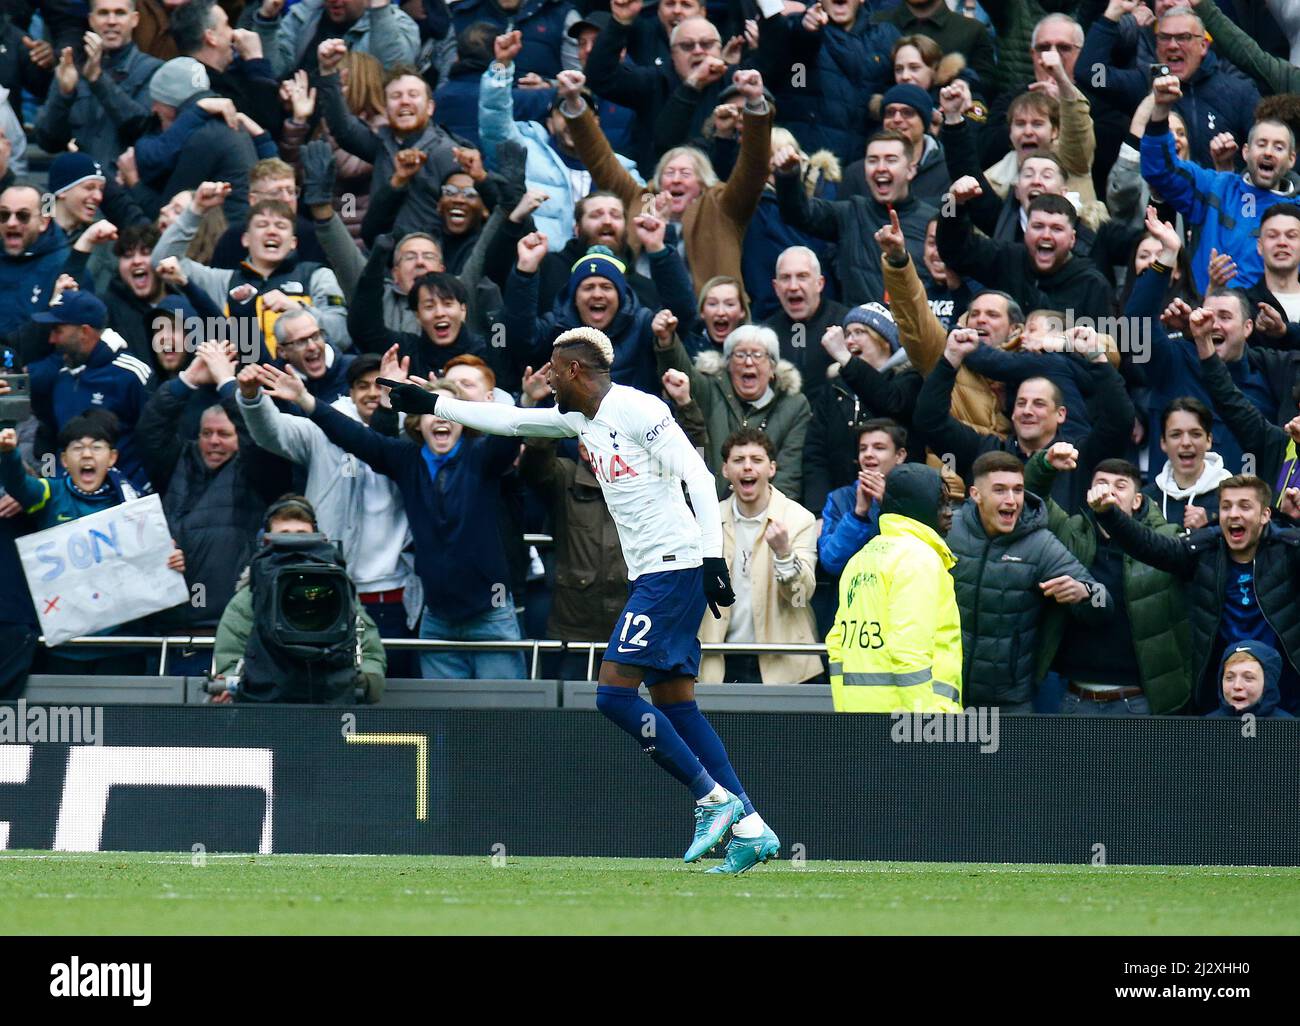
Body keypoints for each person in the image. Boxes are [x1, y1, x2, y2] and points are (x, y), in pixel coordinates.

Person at [381, 324, 780, 874]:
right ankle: (752, 826)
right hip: (657, 574)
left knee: (613, 695)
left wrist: (712, 559)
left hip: (674, 567)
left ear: (573, 371)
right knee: (675, 704)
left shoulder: (638, 408)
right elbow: (512, 420)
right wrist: (434, 401)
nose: (544, 376)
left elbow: (696, 472)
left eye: (551, 367)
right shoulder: (577, 419)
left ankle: (712, 799)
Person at [234, 350, 421, 677]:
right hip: (332, 589)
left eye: (382, 386)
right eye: (363, 386)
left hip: (398, 594)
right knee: (336, 687)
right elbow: (272, 431)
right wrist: (251, 398)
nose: (373, 394)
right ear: (350, 392)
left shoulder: (415, 438)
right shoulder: (323, 430)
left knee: (395, 694)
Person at [1090, 472, 1300, 714]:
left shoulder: (1290, 549)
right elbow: (1149, 546)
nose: (1233, 514)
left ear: (1265, 515)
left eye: (1245, 506)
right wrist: (1108, 514)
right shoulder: (1203, 549)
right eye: (1226, 506)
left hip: (1287, 690)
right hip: (1220, 692)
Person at [0, 411, 184, 677]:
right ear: (64, 460)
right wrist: (9, 455)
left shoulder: (137, 506)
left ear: (112, 457)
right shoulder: (51, 492)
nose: (87, 455)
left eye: (96, 447)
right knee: (71, 720)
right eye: (77, 448)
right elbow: (20, 486)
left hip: (123, 648)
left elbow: (161, 565)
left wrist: (173, 561)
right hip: (63, 648)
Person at [1026, 443, 1192, 715]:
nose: (1109, 490)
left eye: (1120, 485)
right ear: (1089, 493)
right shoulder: (1070, 532)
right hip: (1075, 696)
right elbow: (1033, 498)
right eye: (1101, 483)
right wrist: (1044, 464)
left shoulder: (1166, 539)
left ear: (1137, 500)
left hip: (1137, 699)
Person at [949, 450, 1110, 712]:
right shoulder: (948, 530)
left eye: (1018, 490)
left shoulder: (1040, 544)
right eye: (1000, 490)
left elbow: (1104, 600)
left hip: (1009, 702)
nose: (1011, 500)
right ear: (975, 495)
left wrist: (1085, 593)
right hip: (944, 693)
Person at [914, 328, 1134, 513]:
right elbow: (930, 421)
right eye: (1021, 403)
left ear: (1061, 414)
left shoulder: (1080, 455)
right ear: (1012, 413)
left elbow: (1120, 419)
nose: (1027, 411)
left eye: (1039, 404)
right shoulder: (985, 451)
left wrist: (1097, 357)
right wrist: (950, 360)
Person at [210, 493, 387, 704]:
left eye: (302, 534)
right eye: (284, 534)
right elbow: (229, 659)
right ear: (266, 541)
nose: (294, 543)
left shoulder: (340, 594)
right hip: (265, 711)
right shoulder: (249, 598)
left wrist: (362, 682)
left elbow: (370, 655)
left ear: (318, 538)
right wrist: (233, 681)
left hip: (331, 707)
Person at [1141, 73, 1297, 294]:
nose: (1269, 152)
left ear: (1292, 159)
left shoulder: (1296, 211)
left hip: (1271, 322)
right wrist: (1160, 111)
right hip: (1205, 316)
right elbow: (1160, 172)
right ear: (1245, 152)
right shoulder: (1216, 187)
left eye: (1278, 147)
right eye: (1261, 144)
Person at [152, 186, 350, 358]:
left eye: (280, 226)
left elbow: (342, 334)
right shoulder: (221, 281)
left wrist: (298, 310)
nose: (271, 231)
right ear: (245, 239)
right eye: (262, 225)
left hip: (306, 383)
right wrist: (196, 208)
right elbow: (163, 261)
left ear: (293, 243)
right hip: (244, 386)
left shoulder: (316, 276)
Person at [826, 463, 961, 713]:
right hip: (913, 723)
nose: (949, 512)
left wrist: (844, 709)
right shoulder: (919, 559)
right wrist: (925, 724)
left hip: (858, 717)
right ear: (918, 506)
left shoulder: (860, 559)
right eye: (940, 503)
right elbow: (909, 650)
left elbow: (836, 646)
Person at [698, 427, 820, 686]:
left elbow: (800, 596)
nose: (747, 468)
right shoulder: (707, 522)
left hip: (786, 664)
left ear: (772, 469)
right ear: (725, 470)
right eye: (738, 460)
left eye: (756, 460)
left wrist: (785, 554)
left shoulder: (798, 519)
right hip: (718, 661)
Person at [654, 315, 811, 500]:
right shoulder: (711, 389)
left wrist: (772, 516)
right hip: (709, 509)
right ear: (728, 365)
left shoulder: (794, 405)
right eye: (740, 354)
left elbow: (788, 473)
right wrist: (667, 341)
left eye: (758, 355)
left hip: (764, 513)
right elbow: (680, 375)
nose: (748, 362)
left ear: (772, 368)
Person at [774, 130, 935, 306]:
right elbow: (798, 214)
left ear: (911, 170)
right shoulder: (849, 212)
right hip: (859, 330)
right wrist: (787, 177)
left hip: (915, 330)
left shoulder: (931, 221)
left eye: (891, 160)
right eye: (873, 160)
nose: (881, 167)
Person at [27, 288, 154, 490]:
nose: (52, 339)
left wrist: (138, 489)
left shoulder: (131, 374)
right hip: (70, 502)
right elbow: (51, 442)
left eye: (58, 330)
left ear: (84, 332)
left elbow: (156, 438)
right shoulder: (62, 377)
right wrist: (50, 484)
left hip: (123, 501)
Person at [32, 0, 162, 171]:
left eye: (120, 13)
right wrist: (64, 95)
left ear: (134, 19)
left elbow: (144, 129)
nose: (111, 21)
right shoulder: (71, 69)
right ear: (91, 20)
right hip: (78, 188)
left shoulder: (153, 70)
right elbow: (48, 142)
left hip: (128, 188)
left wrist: (98, 80)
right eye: (103, 13)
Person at [817, 419, 910, 577]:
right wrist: (858, 515)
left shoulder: (914, 495)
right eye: (863, 449)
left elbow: (916, 555)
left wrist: (887, 506)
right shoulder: (840, 498)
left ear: (899, 455)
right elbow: (831, 562)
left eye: (879, 448)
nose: (868, 454)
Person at [243, 0, 420, 78]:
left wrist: (380, 13)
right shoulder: (306, 14)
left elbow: (395, 72)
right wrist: (267, 20)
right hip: (298, 122)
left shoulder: (397, 24)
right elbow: (274, 70)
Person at [761, 246, 848, 401]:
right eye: (785, 278)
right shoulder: (765, 335)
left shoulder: (846, 324)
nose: (793, 286)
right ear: (776, 287)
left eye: (802, 276)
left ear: (819, 283)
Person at [1144, 397, 1230, 529]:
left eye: (1195, 434)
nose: (1186, 443)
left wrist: (1211, 528)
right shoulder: (1147, 499)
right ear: (1163, 443)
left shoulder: (1231, 496)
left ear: (1209, 440)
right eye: (1176, 435)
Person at [1207, 641, 1294, 719]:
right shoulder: (1205, 728)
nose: (1237, 686)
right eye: (1229, 678)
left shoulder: (1291, 729)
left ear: (1268, 684)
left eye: (1248, 678)